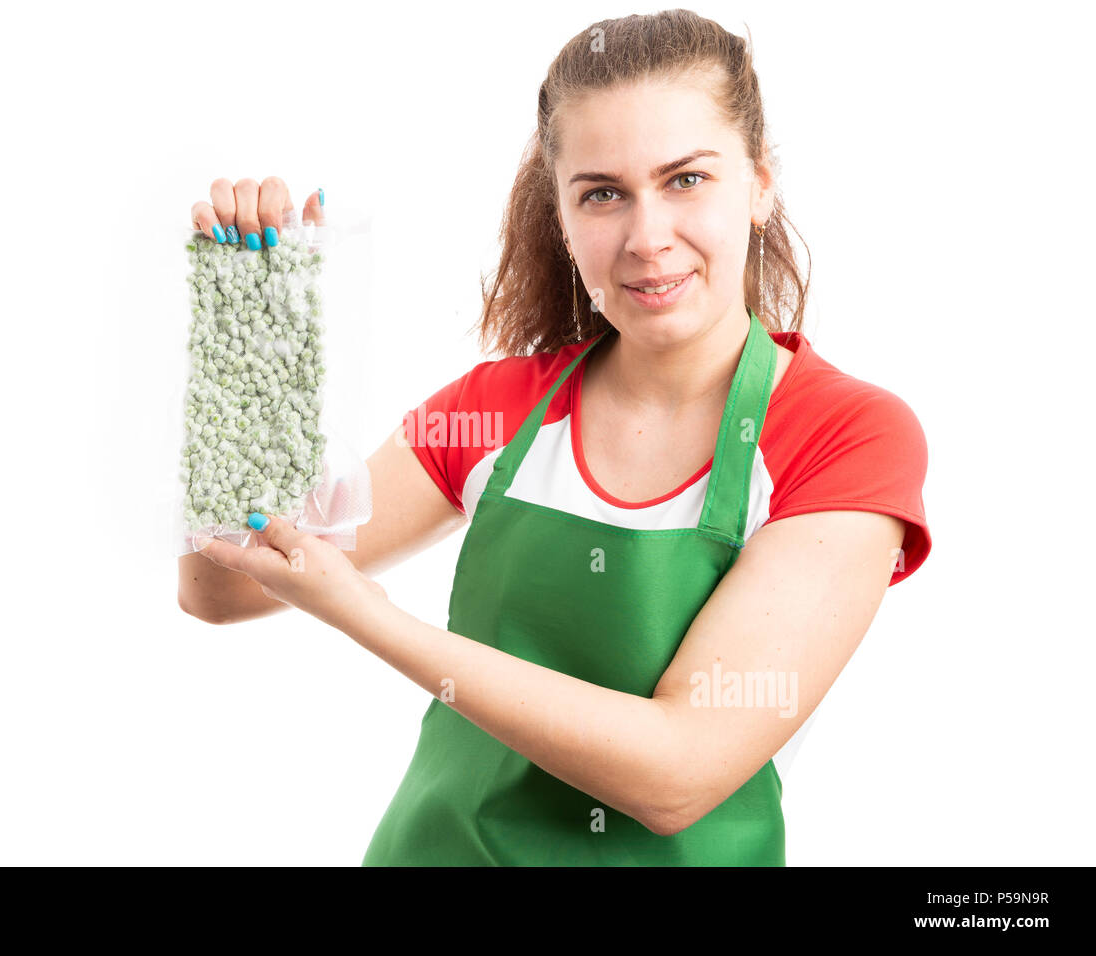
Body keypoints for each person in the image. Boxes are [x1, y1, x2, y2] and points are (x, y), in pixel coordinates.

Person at [178, 9, 931, 866]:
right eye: (603, 193)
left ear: (759, 185)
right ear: (563, 215)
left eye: (686, 179)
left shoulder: (845, 436)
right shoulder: (498, 410)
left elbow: (678, 771)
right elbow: (222, 587)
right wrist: (251, 337)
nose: (648, 239)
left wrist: (367, 617)